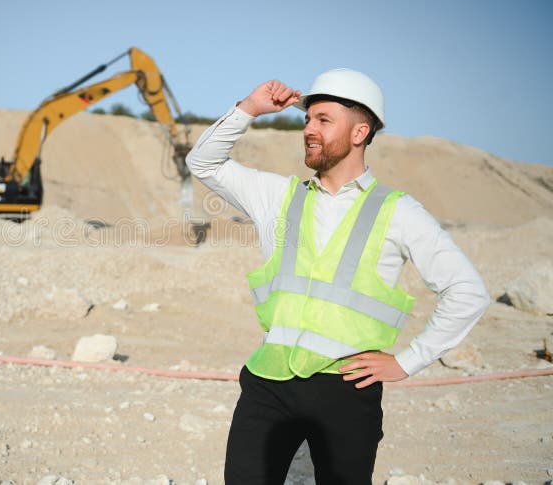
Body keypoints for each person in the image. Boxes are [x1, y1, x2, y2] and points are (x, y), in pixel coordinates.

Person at [184, 69, 490, 485]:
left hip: (347, 390)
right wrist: (249, 109)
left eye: (324, 120)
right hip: (268, 382)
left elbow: (467, 290)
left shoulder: (399, 212)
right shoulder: (277, 196)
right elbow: (201, 162)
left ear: (360, 131)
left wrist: (406, 362)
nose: (309, 129)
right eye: (307, 119)